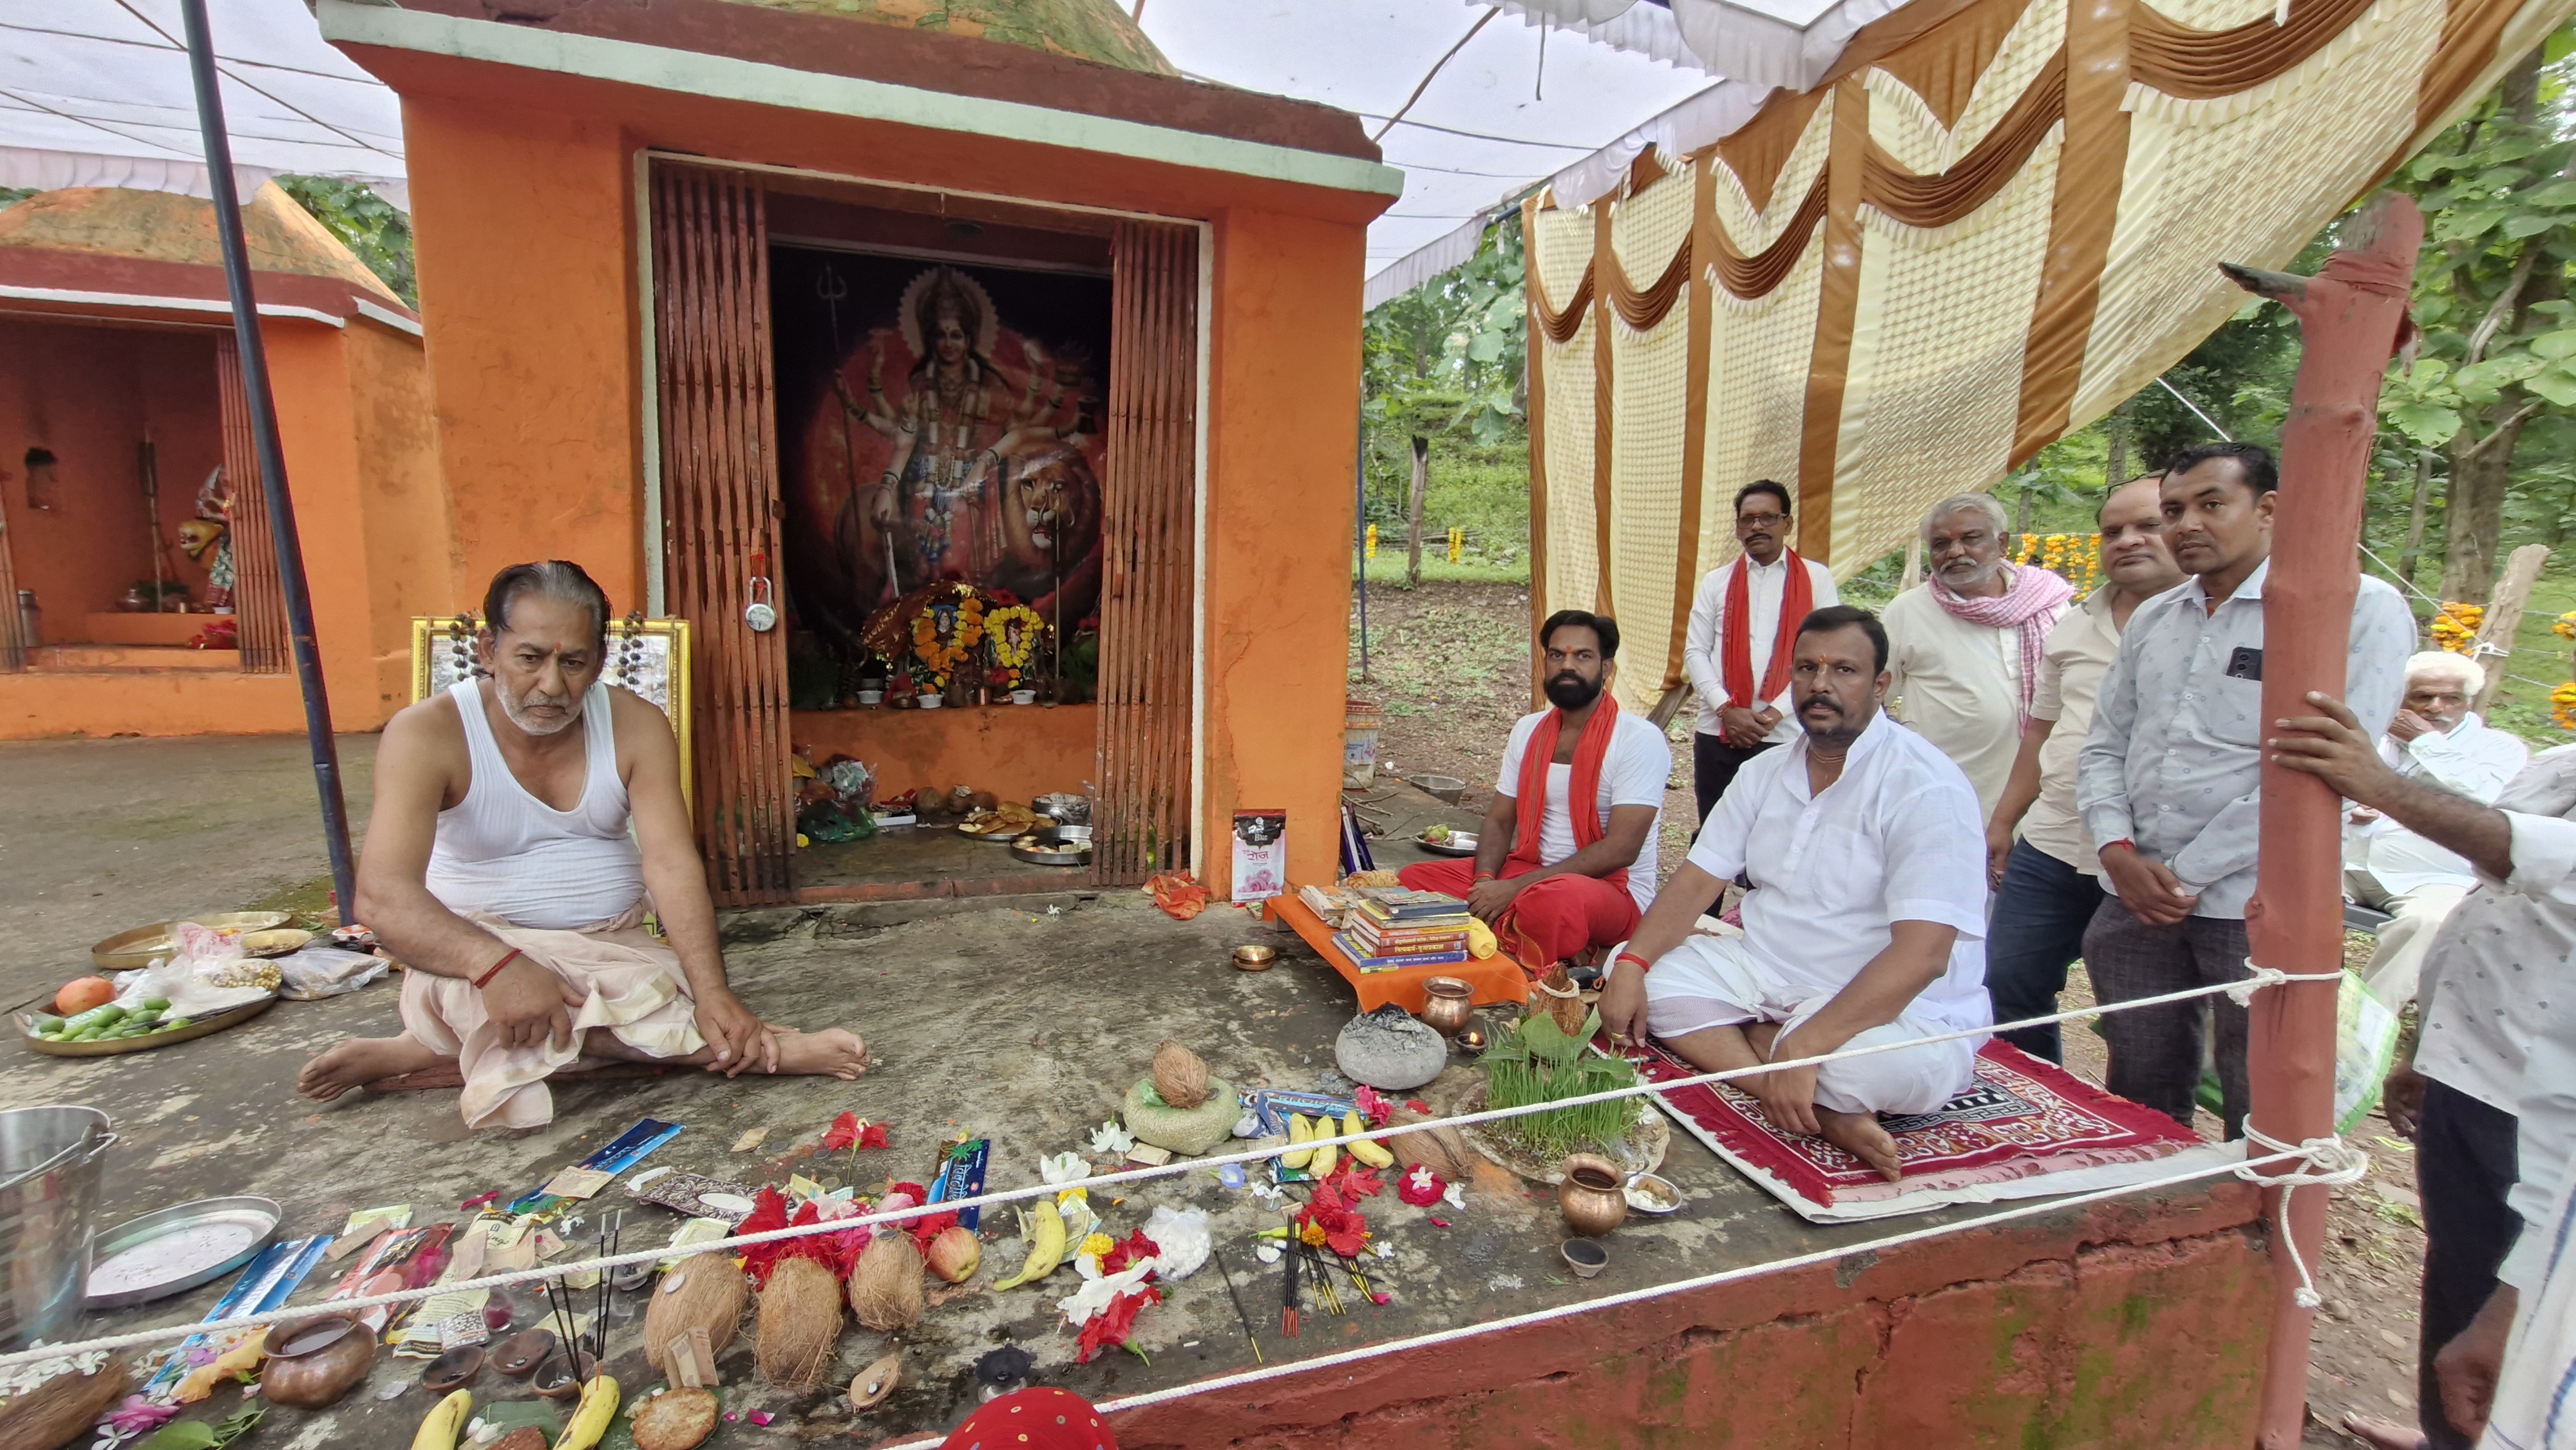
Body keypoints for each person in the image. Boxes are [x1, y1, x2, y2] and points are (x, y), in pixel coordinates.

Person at [298, 561, 870, 1129]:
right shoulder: (427, 734)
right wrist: (497, 968)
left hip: (612, 951)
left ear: (599, 660)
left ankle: (432, 1047)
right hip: (477, 962)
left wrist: (713, 992)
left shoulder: (636, 723)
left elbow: (669, 863)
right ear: (488, 648)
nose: (552, 685)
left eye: (573, 662)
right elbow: (382, 898)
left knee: (642, 993)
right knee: (567, 1006)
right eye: (530, 658)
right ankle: (758, 1052)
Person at [2262, 692, 2574, 1450]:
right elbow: (2489, 892)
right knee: (2466, 1275)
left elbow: (2534, 858)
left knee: (2525, 1299)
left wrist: (2379, 781)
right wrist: (2423, 1046)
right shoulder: (2559, 765)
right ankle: (2450, 1434)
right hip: (2472, 1059)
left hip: (2541, 1102)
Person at [2076, 441, 2412, 1138]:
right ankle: (2148, 1210)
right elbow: (2106, 741)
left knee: (2259, 1091)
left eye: (2210, 504)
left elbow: (2319, 771)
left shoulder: (2354, 609)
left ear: (2268, 510)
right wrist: (2114, 847)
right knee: (2138, 1077)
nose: (2185, 525)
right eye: (2173, 510)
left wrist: (2181, 877)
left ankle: (2258, 1227)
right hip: (2132, 888)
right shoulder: (2156, 616)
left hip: (2255, 899)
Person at [1598, 605, 1991, 1182]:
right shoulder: (1763, 773)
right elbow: (1698, 880)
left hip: (1883, 1005)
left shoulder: (1926, 786)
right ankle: (1806, 1102)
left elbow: (1924, 956)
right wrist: (1632, 964)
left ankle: (1782, 1055)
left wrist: (1810, 1039)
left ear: (1881, 684)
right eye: (1807, 668)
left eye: (1844, 671)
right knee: (1634, 971)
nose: (1821, 685)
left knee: (1876, 1073)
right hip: (1764, 967)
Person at [1980, 476, 2184, 1060]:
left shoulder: (2214, 629)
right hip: (2052, 839)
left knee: (2143, 1013)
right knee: (2009, 981)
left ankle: (2145, 1134)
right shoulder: (2074, 624)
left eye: (2148, 525)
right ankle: (2036, 1103)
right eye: (2112, 531)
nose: (2128, 540)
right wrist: (2004, 822)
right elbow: (2041, 730)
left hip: (2149, 855)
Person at [1397, 610, 1669, 970]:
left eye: (1582, 656)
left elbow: (1622, 849)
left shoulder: (1639, 739)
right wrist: (1485, 884)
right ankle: (1514, 932)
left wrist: (1513, 889)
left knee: (1554, 903)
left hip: (1607, 891)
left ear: (1606, 667)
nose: (1567, 665)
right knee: (1414, 881)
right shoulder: (1529, 730)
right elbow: (1498, 820)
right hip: (1528, 872)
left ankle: (1523, 939)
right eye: (1557, 655)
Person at [2343, 651, 2528, 1008]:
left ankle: (2360, 1024)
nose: (2435, 707)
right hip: (2346, 862)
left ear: (2468, 703)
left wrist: (2426, 743)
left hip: (2432, 877)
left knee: (2427, 922)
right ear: (2402, 696)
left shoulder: (2499, 747)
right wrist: (2353, 807)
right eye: (2423, 696)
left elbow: (2491, 796)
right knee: (2285, 896)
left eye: (2451, 698)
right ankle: (2285, 1006)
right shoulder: (2373, 736)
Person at [1882, 493, 2075, 817]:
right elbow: (1870, 701)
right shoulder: (1908, 611)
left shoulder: (2048, 602)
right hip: (1945, 794)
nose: (1956, 552)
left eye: (1971, 539)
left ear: (2002, 544)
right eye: (1941, 544)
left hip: (2046, 796)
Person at [1681, 480, 1841, 831]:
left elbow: (1826, 653)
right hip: (1719, 730)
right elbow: (1695, 651)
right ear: (1738, 528)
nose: (1756, 526)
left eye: (1767, 517)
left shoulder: (1817, 579)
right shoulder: (1716, 582)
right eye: (1747, 519)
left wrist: (1772, 714)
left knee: (1779, 833)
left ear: (1787, 524)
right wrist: (1727, 709)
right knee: (1716, 829)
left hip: (1786, 731)